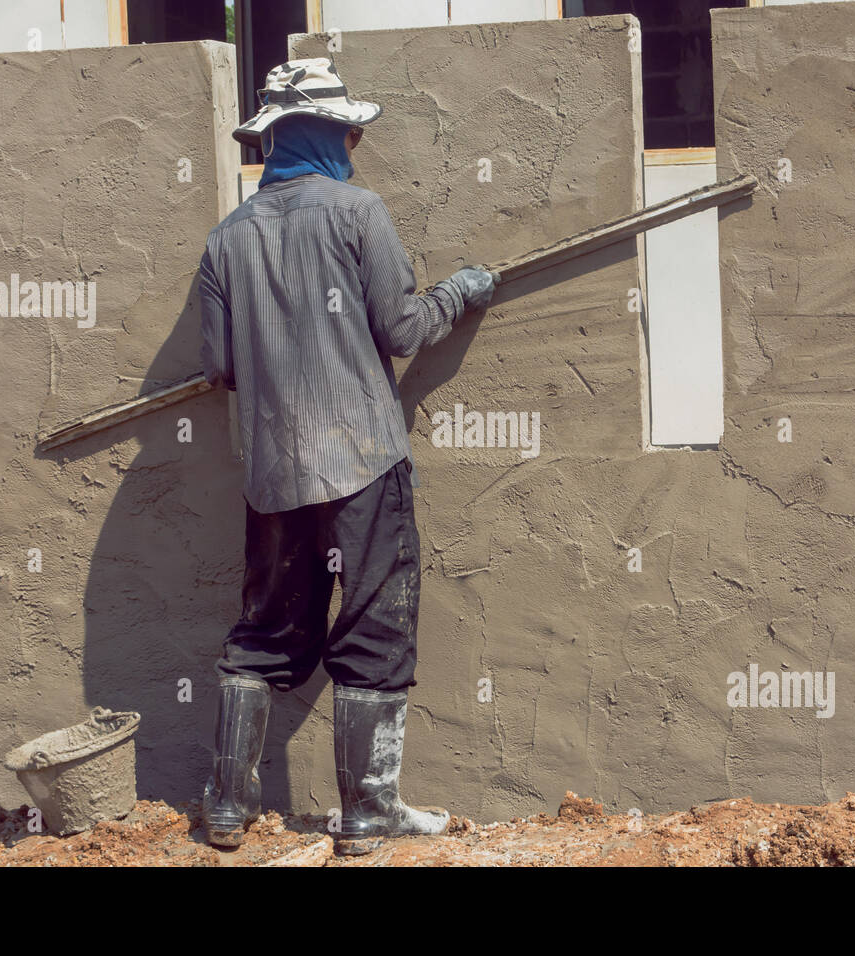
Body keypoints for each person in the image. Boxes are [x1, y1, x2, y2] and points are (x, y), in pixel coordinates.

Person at [197, 57, 497, 855]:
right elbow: (403, 330)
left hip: (271, 473)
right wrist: (461, 292)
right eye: (352, 133)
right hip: (362, 461)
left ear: (272, 140)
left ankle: (227, 806)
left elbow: (221, 365)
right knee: (372, 626)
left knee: (262, 633)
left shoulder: (227, 239)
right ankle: (366, 813)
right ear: (332, 135)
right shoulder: (360, 212)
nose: (359, 145)